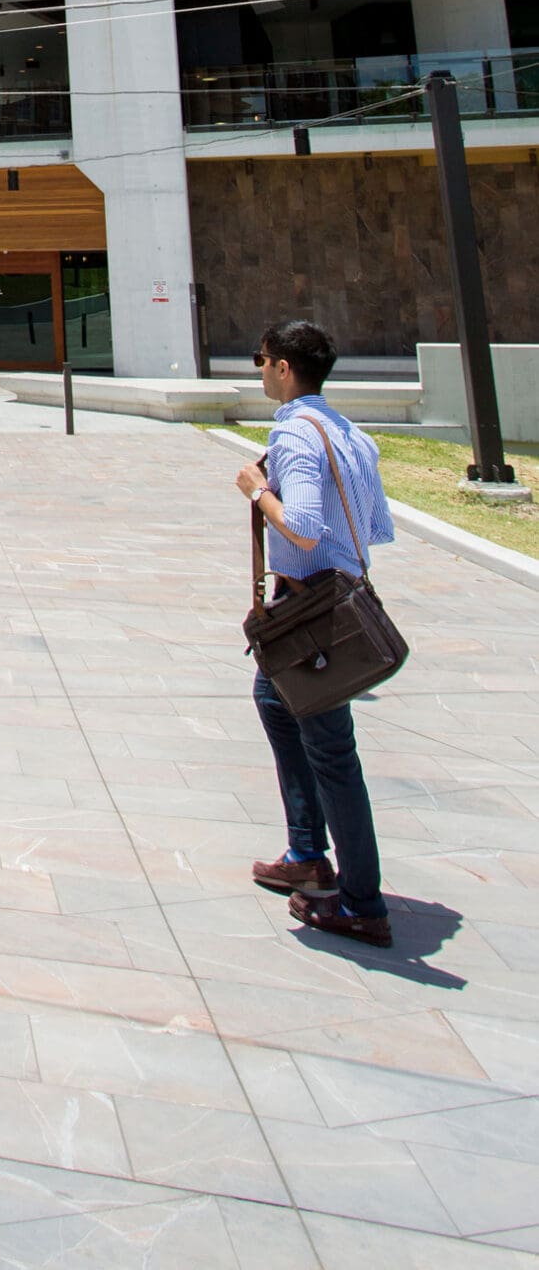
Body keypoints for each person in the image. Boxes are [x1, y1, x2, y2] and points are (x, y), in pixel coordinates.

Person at [237, 316, 395, 947]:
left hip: (313, 612)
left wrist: (257, 492)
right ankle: (306, 852)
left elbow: (301, 527)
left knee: (332, 753)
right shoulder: (350, 433)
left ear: (283, 367)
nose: (259, 370)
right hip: (340, 594)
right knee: (273, 700)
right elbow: (376, 525)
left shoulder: (296, 435)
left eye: (262, 360)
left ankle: (362, 903)